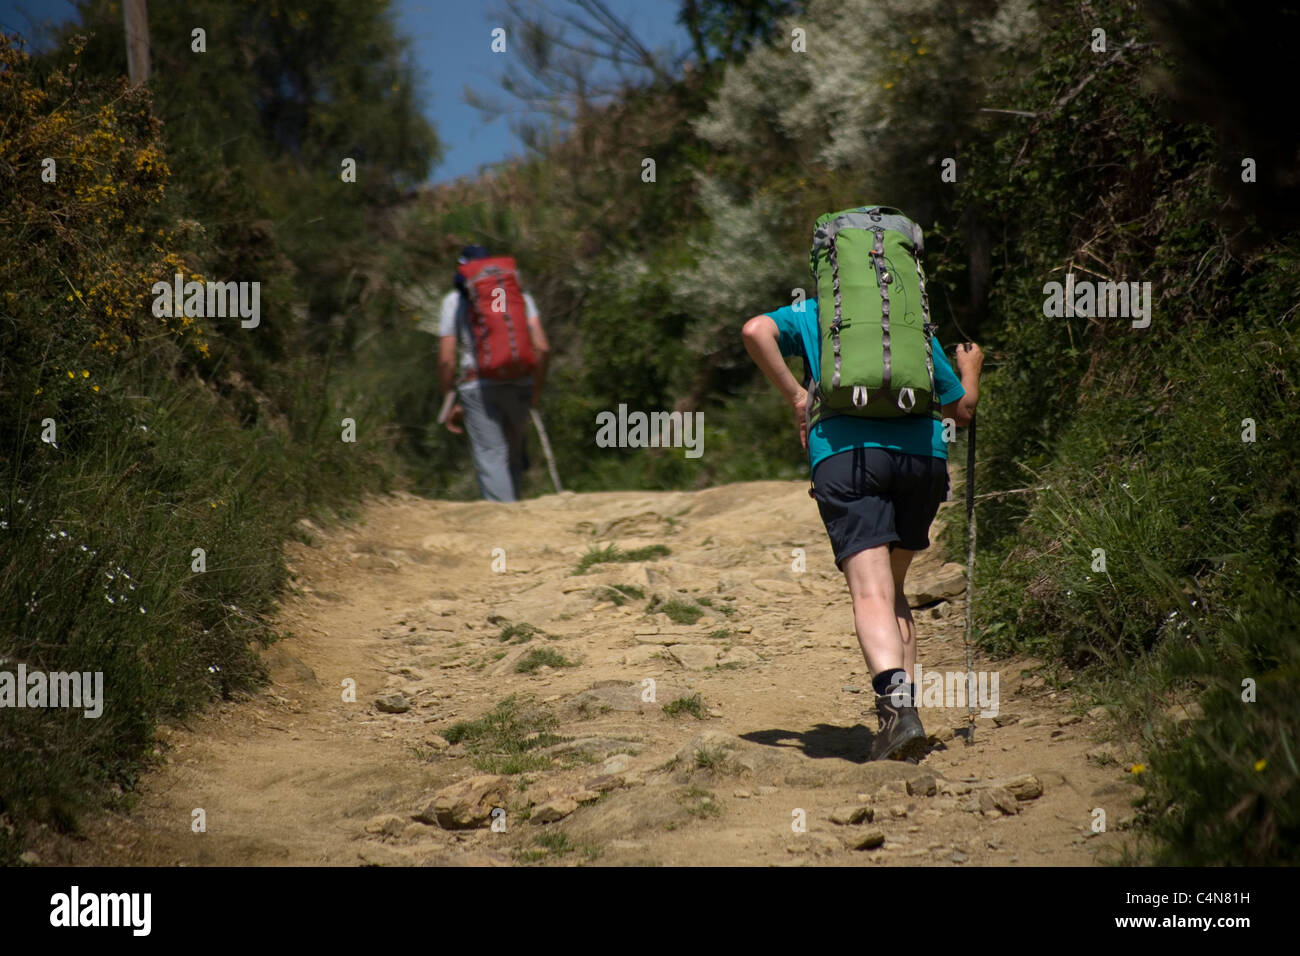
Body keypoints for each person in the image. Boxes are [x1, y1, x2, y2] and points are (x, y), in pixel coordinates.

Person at [742, 298, 983, 761]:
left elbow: (755, 331)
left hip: (846, 456)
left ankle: (896, 713)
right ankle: (907, 724)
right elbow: (962, 410)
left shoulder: (813, 311)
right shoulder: (909, 319)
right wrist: (970, 367)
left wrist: (797, 397)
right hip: (922, 460)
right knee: (893, 589)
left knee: (870, 592)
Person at [437, 245, 550, 502]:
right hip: (521, 381)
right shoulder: (520, 296)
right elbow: (542, 347)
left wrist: (449, 399)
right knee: (513, 451)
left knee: (491, 454)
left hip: (477, 386)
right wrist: (536, 390)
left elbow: (446, 359)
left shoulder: (453, 302)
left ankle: (505, 523)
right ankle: (517, 513)